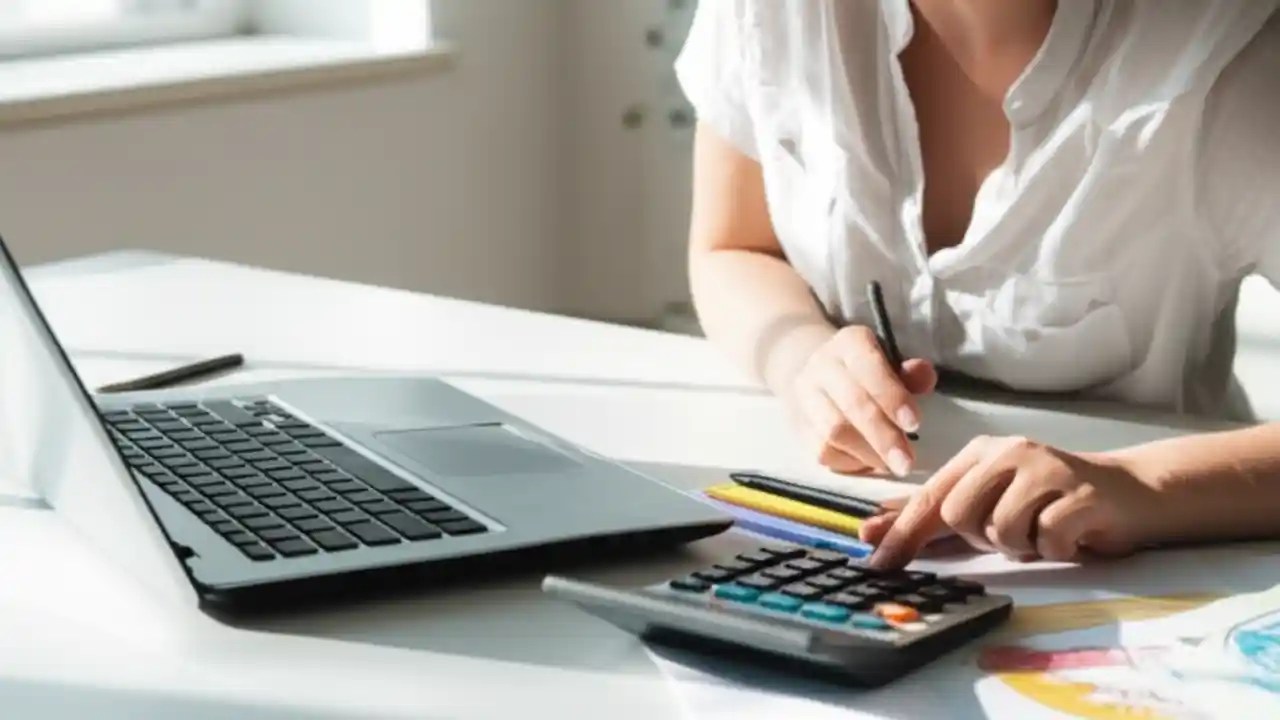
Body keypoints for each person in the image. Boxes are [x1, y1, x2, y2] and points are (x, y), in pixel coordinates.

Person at [675, 0, 1280, 569]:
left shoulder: (1235, 60)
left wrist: (1144, 485)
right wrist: (803, 358)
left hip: (1144, 582)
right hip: (839, 537)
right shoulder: (770, 13)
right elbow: (733, 246)